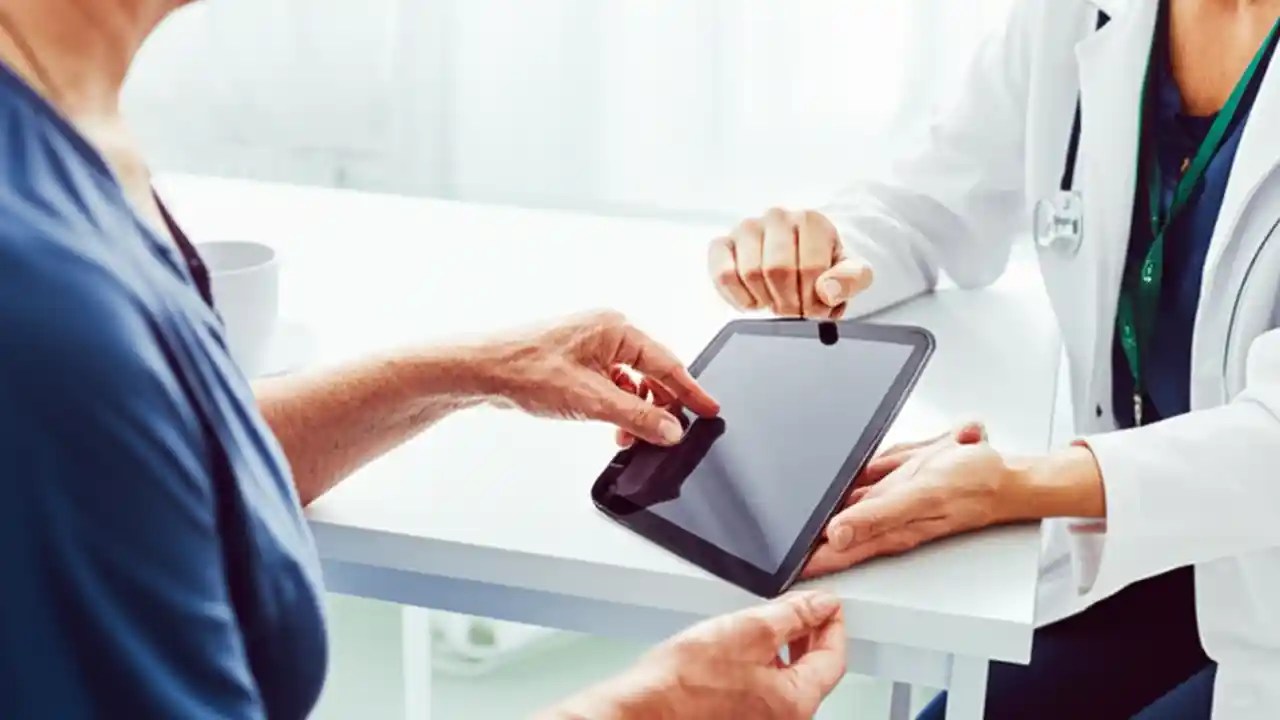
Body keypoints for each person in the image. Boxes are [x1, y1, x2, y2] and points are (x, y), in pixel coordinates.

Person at [0, 2, 850, 719]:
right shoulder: (39, 287)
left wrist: (474, 370)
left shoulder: (66, 115)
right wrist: (647, 707)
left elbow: (159, 464)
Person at [708, 0, 1280, 717]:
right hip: (1150, 553)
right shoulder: (1072, 14)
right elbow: (931, 202)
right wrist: (822, 252)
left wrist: (1015, 487)